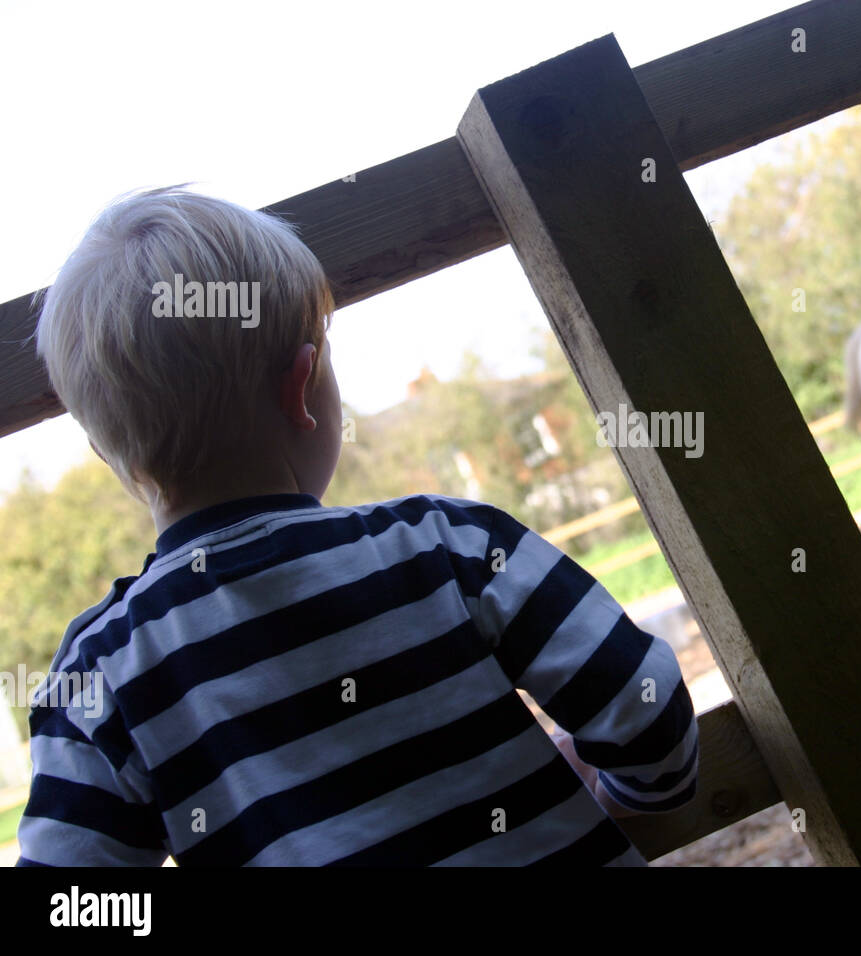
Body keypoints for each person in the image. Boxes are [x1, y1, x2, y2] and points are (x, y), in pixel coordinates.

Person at [19, 186, 698, 866]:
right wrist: (625, 797)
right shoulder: (446, 545)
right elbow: (647, 708)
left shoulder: (101, 674)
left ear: (107, 450)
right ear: (302, 386)